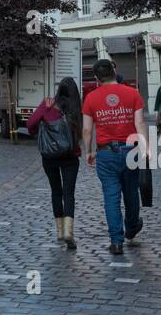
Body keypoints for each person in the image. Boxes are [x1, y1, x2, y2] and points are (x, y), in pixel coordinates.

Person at [82, 58, 148, 256]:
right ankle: (132, 226)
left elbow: (87, 129)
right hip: (130, 150)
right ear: (113, 71)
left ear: (96, 77)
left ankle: (116, 241)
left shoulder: (91, 98)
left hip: (106, 153)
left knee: (111, 197)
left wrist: (89, 151)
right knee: (131, 192)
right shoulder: (132, 93)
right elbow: (140, 124)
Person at [26, 76, 83, 249]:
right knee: (69, 193)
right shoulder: (76, 109)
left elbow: (30, 124)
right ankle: (68, 231)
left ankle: (59, 232)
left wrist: (41, 130)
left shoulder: (48, 104)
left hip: (49, 156)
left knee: (56, 191)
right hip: (70, 156)